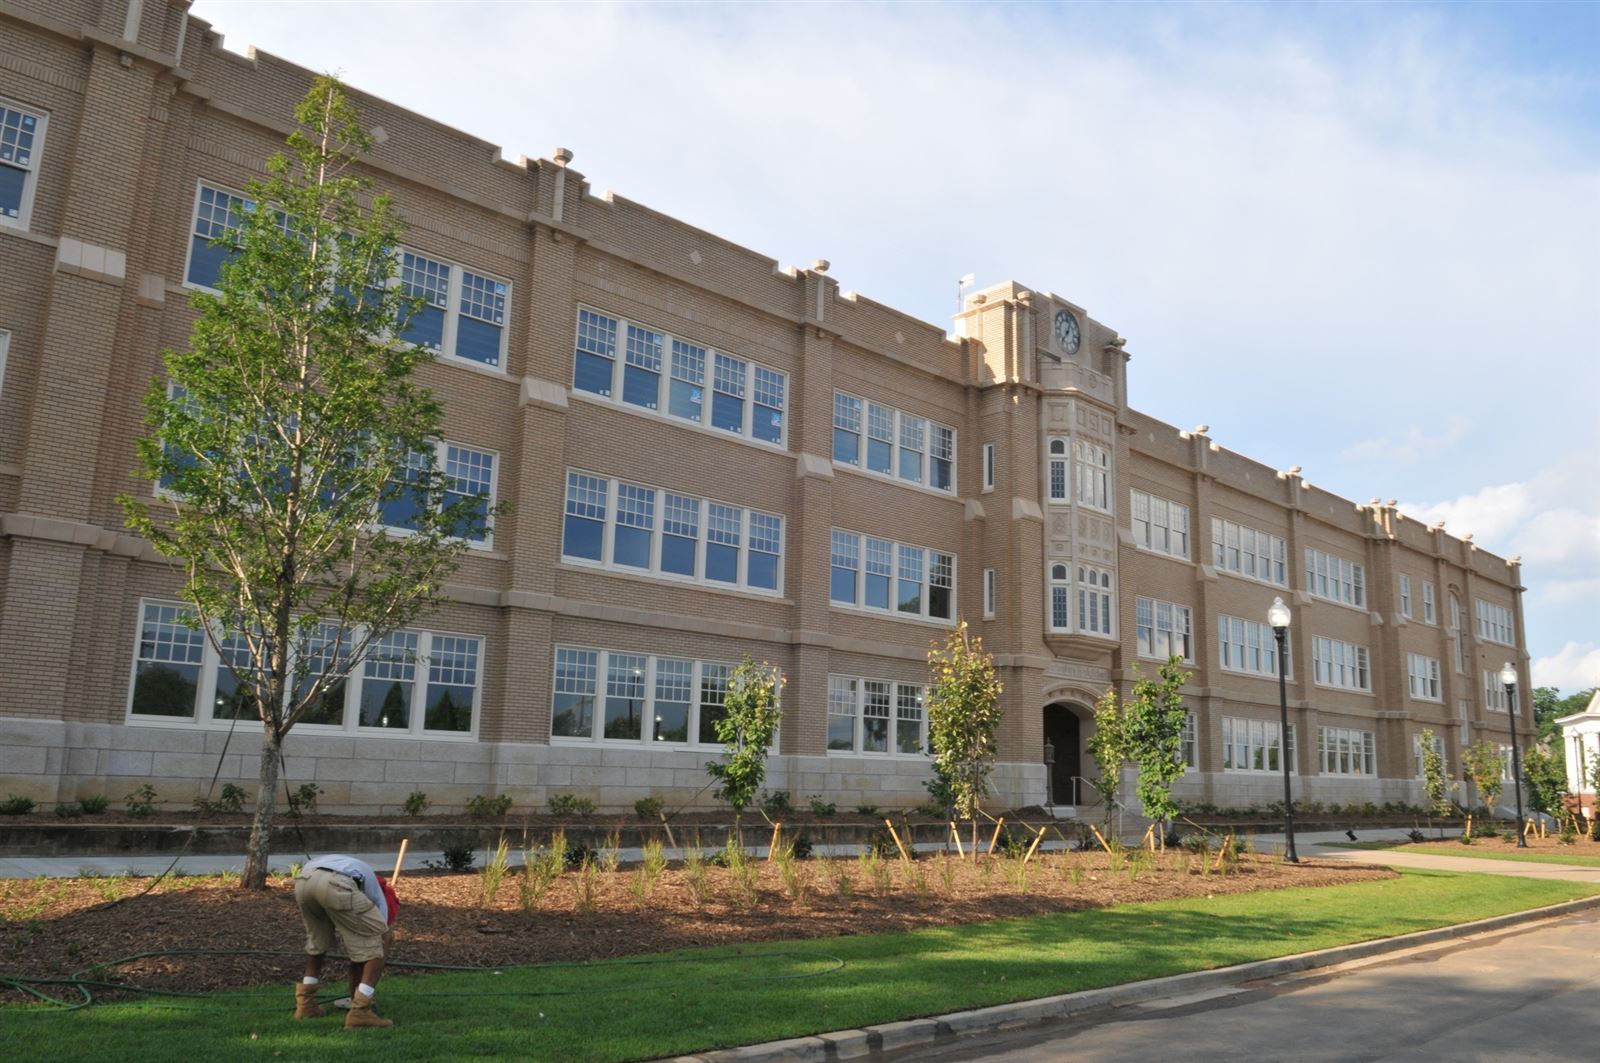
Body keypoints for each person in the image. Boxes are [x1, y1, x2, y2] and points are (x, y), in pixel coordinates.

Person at [292, 854, 398, 1029]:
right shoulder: (377, 893)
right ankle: (361, 1011)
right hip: (337, 883)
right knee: (383, 938)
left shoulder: (357, 869)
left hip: (304, 881)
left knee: (317, 941)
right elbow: (380, 930)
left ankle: (306, 1004)